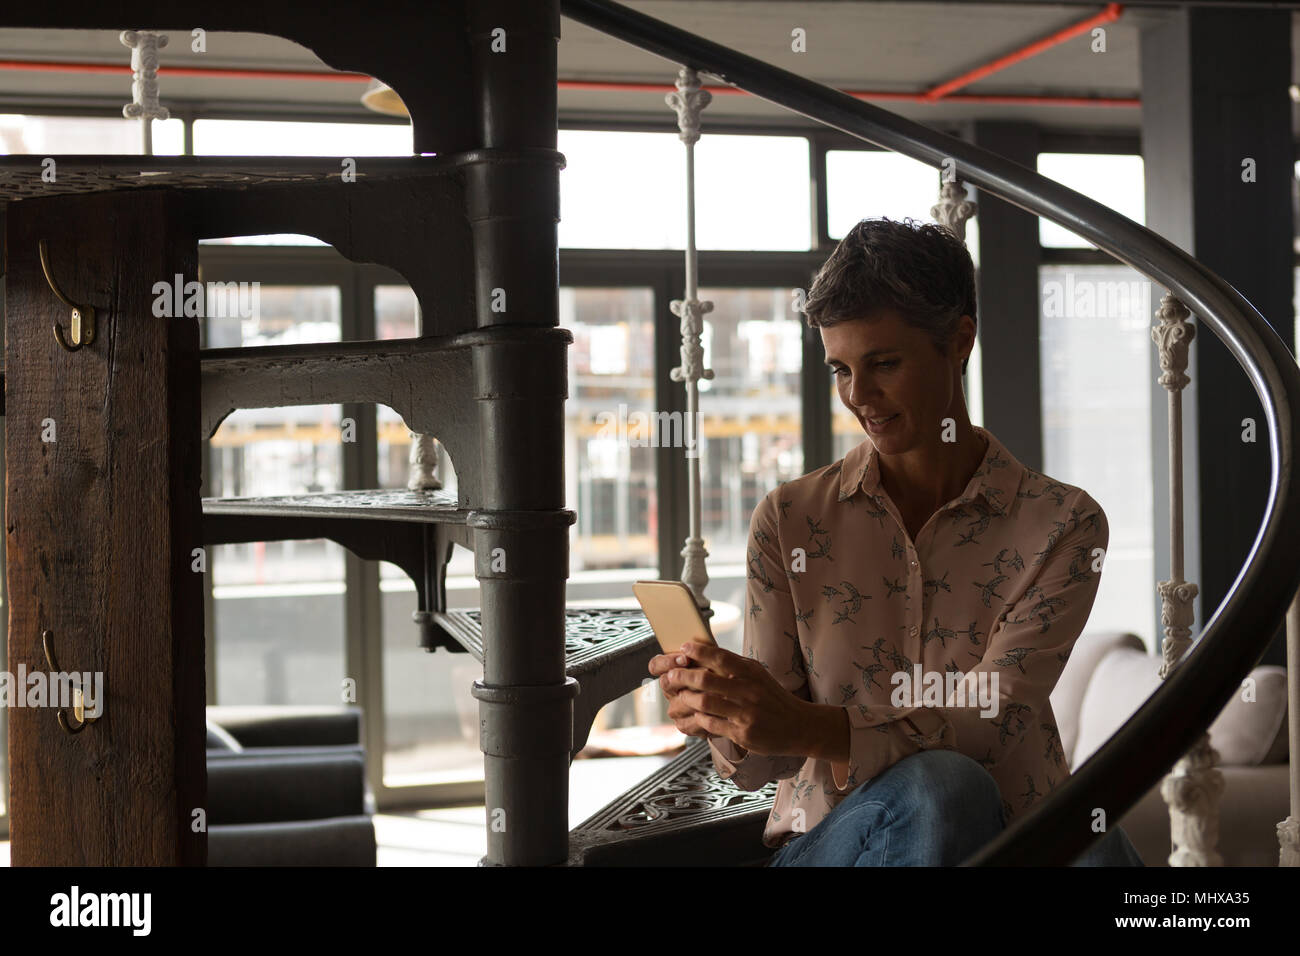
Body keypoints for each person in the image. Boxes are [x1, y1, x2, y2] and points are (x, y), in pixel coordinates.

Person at [648, 217, 1143, 867]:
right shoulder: (790, 519)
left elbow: (988, 723)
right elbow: (761, 765)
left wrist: (805, 726)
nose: (859, 396)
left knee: (1100, 846)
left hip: (1007, 837)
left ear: (958, 341)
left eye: (883, 364)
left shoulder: (1062, 525)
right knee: (940, 787)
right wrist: (725, 718)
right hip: (831, 846)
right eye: (841, 369)